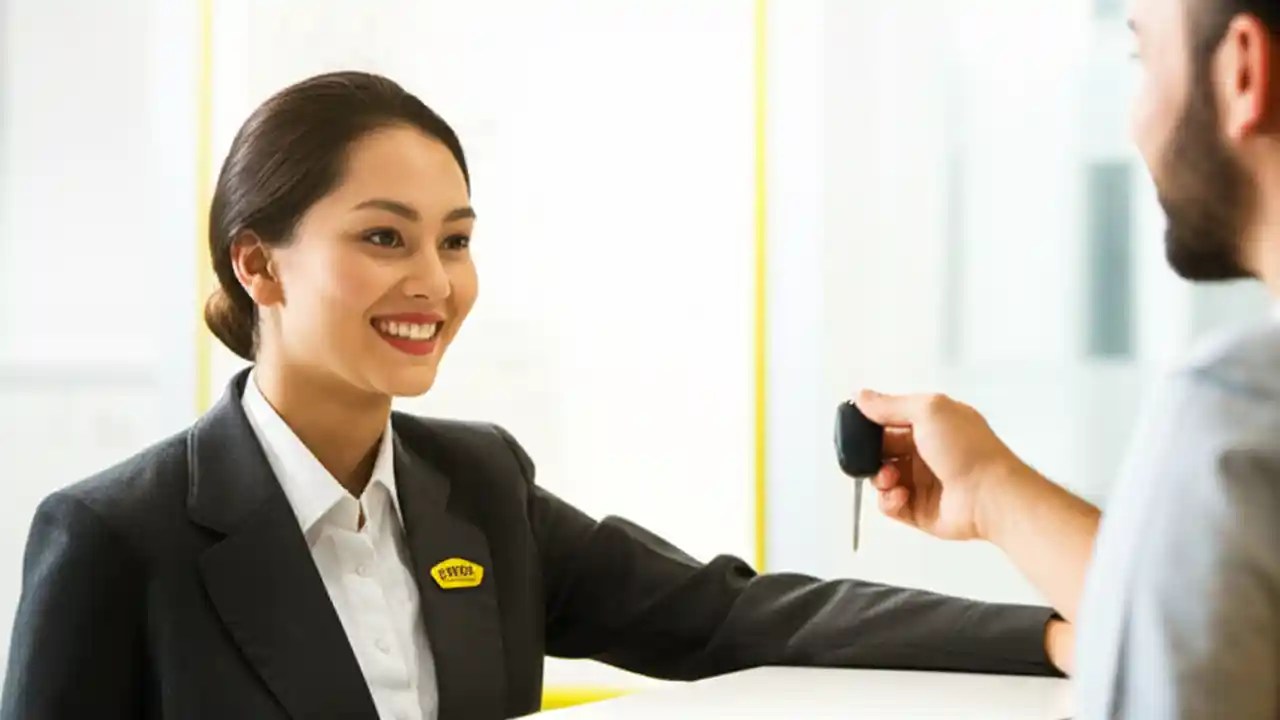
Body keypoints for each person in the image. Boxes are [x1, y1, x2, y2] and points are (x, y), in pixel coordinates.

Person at [0, 71, 1069, 720]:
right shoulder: (115, 539)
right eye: (383, 237)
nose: (432, 281)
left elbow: (727, 615)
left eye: (454, 240)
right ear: (260, 267)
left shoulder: (477, 484)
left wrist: (1050, 641)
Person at [852, 0, 1280, 717]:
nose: (1136, 122)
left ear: (1242, 70)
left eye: (1144, 61)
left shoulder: (1236, 413)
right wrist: (989, 489)